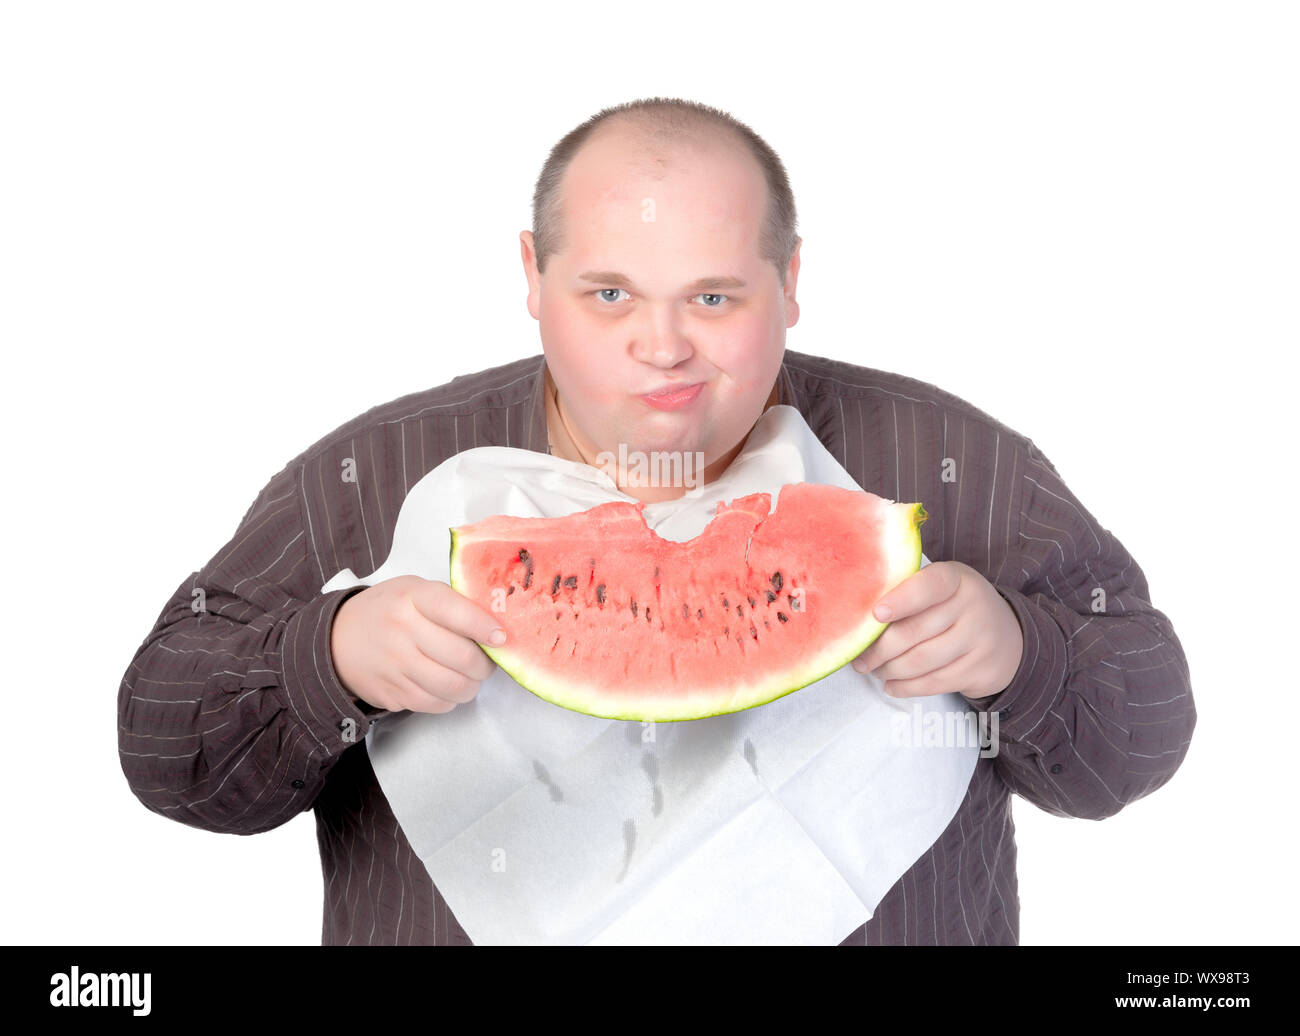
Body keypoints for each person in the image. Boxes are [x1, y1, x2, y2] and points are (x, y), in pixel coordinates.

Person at [118, 96, 1196, 945]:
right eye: (610, 295)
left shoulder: (953, 467)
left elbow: (1141, 741)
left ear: (791, 282)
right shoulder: (371, 476)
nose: (664, 346)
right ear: (532, 280)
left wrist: (1022, 655)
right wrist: (329, 655)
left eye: (715, 297)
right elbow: (166, 749)